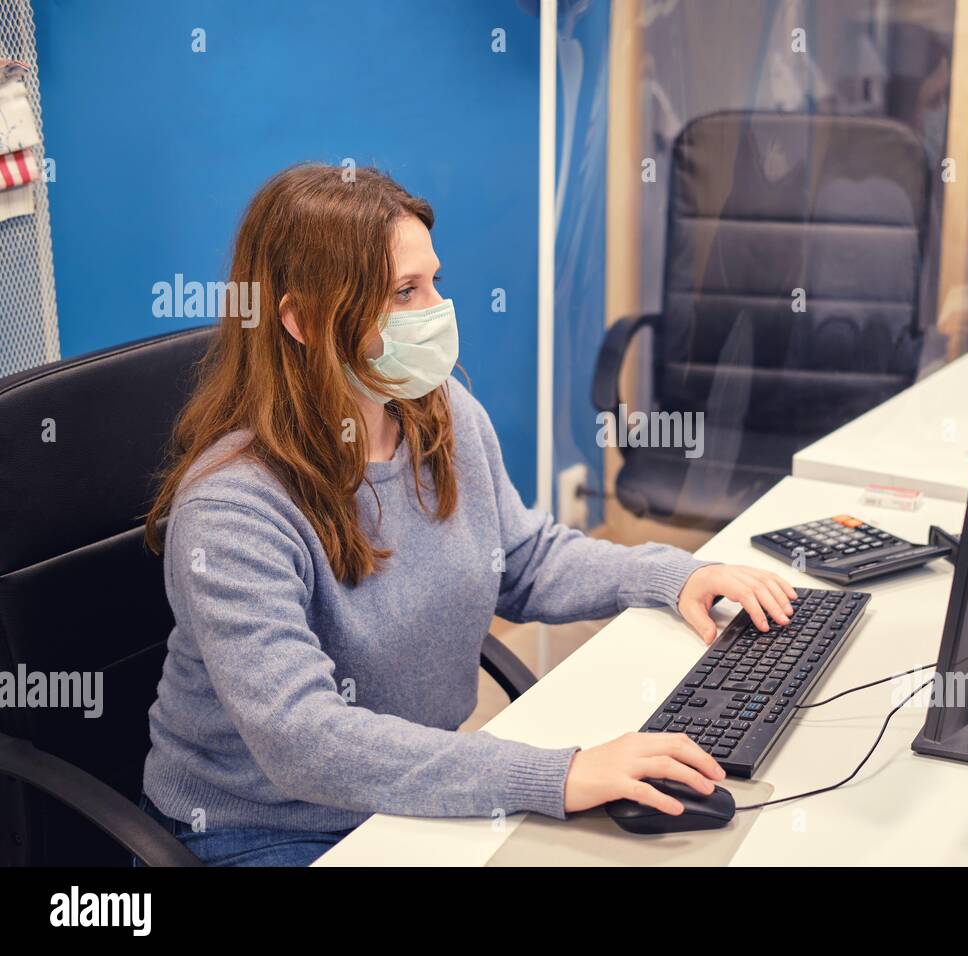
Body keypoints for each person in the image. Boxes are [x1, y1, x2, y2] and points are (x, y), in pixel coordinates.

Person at [137, 163, 797, 866]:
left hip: (407, 797)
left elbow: (523, 558)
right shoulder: (234, 507)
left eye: (434, 283)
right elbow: (305, 740)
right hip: (265, 830)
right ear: (301, 320)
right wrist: (558, 775)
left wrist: (675, 576)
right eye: (403, 292)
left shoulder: (438, 410)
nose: (435, 311)